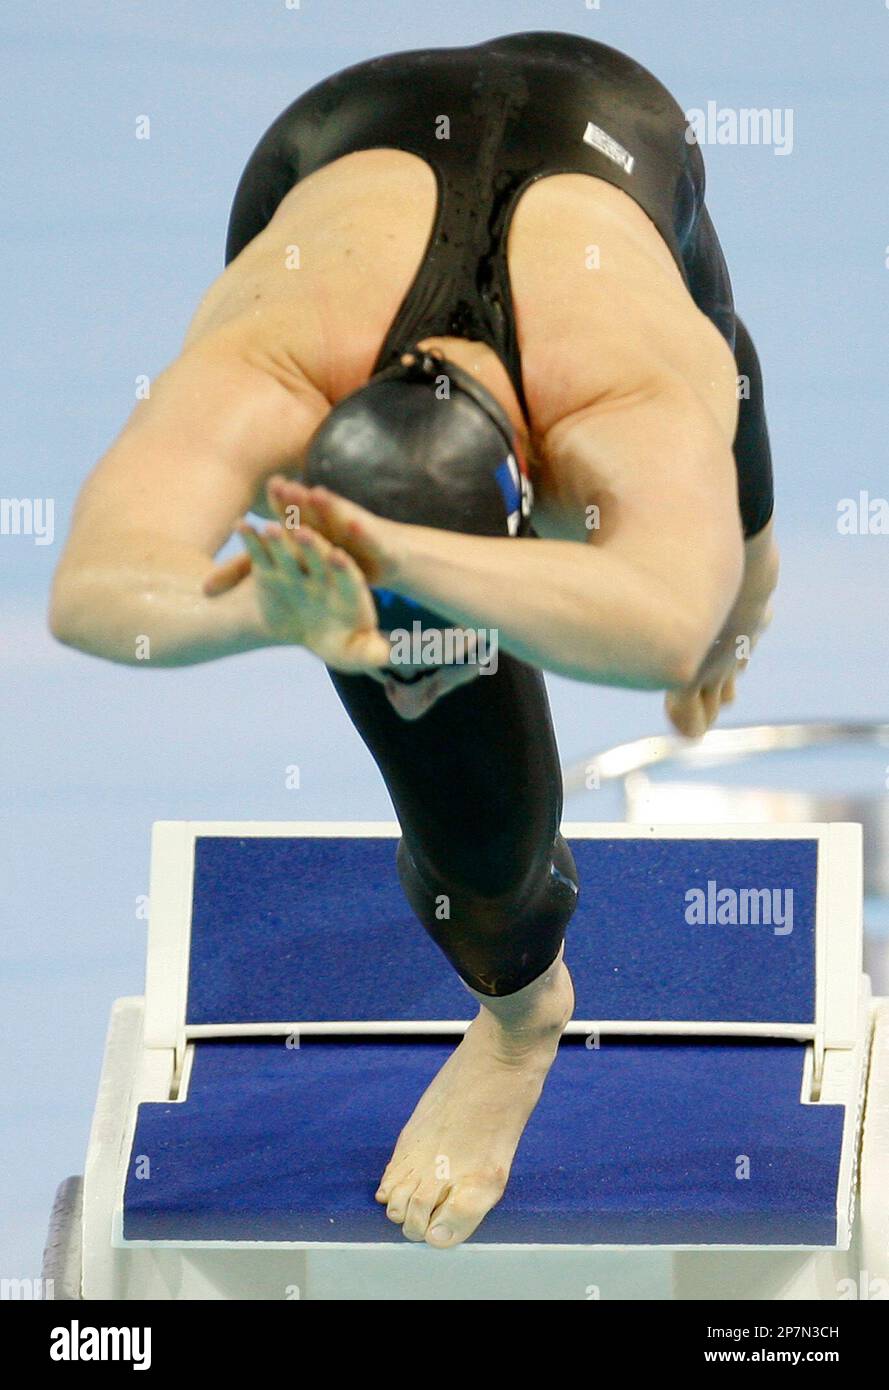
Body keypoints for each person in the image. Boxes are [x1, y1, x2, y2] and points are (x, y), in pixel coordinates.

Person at [49, 32, 779, 1249]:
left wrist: (401, 564)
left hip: (615, 133)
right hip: (333, 148)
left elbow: (659, 627)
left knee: (716, 473)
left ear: (541, 496)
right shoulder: (269, 366)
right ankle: (524, 1005)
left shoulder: (619, 389)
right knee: (416, 681)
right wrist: (258, 609)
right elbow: (90, 593)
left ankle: (515, 1017)